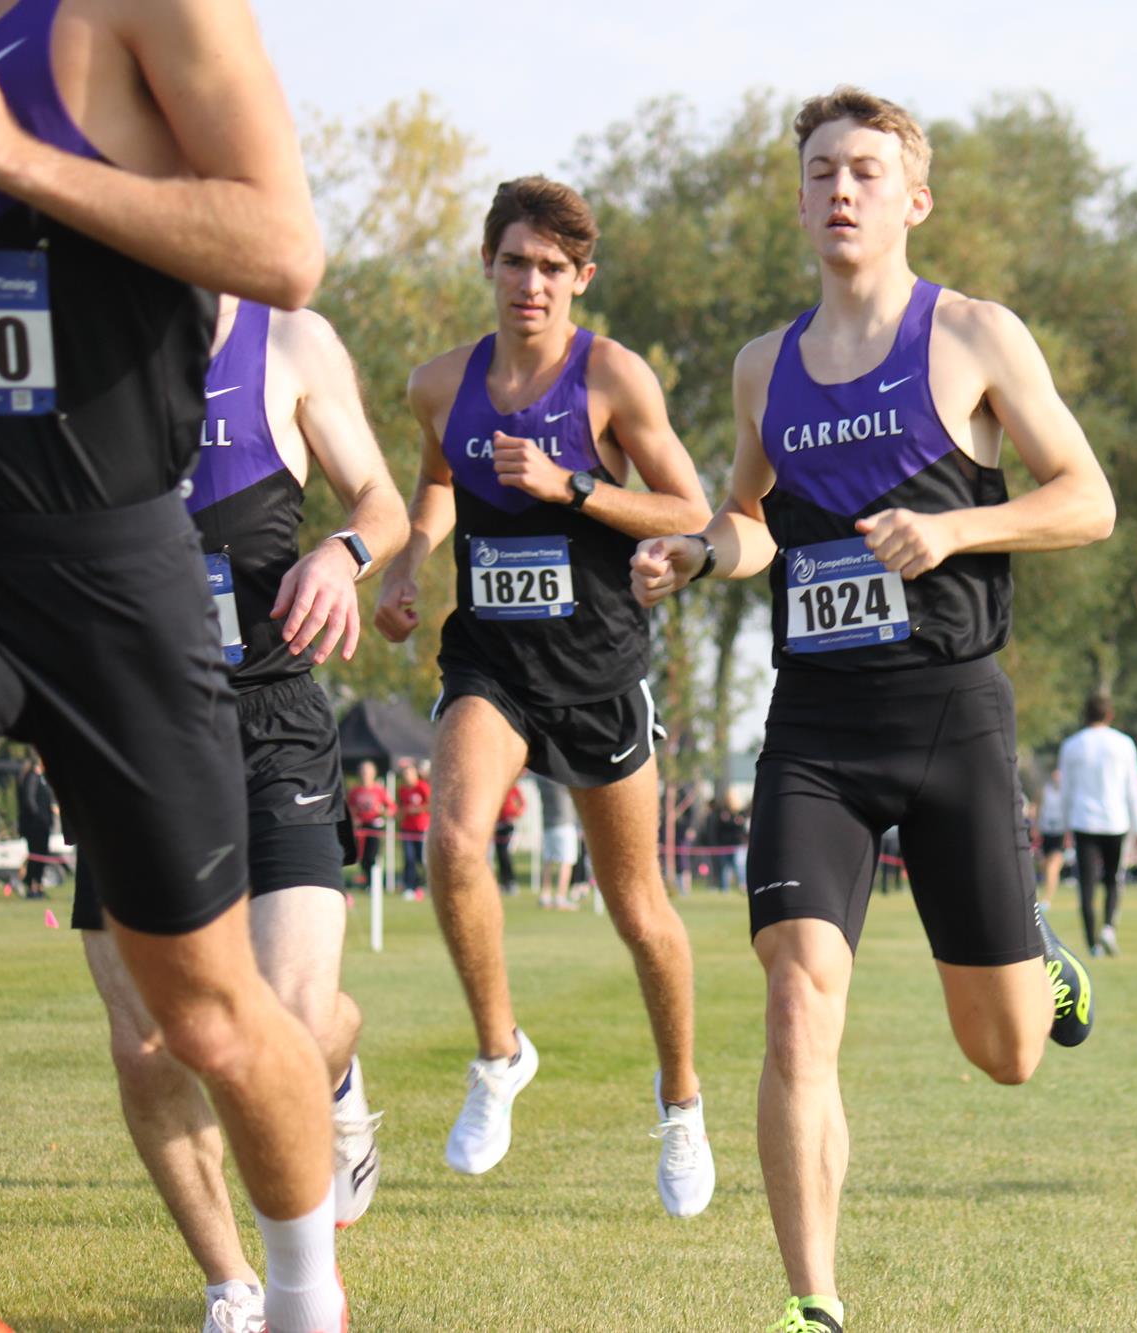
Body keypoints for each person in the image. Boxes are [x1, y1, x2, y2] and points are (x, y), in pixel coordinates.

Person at [631, 86, 1114, 1332]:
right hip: (816, 733)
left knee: (1004, 1052)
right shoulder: (762, 368)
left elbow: (1085, 500)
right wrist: (698, 551)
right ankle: (813, 1303)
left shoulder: (972, 336)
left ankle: (1041, 962)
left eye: (862, 171)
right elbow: (747, 521)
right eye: (818, 173)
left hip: (952, 715)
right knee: (796, 999)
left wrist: (953, 526)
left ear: (913, 198)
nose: (838, 191)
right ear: (798, 200)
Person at [0, 2, 352, 1326]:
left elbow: (282, 248)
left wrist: (13, 157)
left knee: (206, 1015)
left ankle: (303, 1295)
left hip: (110, 566)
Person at [373, 175, 716, 1210]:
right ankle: (498, 1055)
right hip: (492, 663)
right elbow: (436, 481)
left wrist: (571, 485)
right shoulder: (440, 385)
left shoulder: (610, 378)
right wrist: (406, 562)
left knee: (638, 909)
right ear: (487, 264)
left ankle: (681, 1104)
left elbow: (690, 505)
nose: (532, 283)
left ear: (581, 279)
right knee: (453, 839)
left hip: (601, 669)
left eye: (553, 268)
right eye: (515, 261)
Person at [73, 294, 408, 1332]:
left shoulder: (289, 340)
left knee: (295, 1023)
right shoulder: (84, 337)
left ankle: (338, 1076)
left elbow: (379, 499)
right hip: (122, 724)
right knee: (146, 1044)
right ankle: (233, 1285)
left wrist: (342, 553)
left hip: (270, 718)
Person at [1056, 694, 1137, 957]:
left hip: (1083, 821)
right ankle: (1108, 927)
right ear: (1110, 715)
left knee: (1086, 884)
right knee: (1113, 879)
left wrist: (1064, 826)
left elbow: (1066, 791)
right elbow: (1133, 789)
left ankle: (1092, 942)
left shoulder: (1072, 745)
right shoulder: (1123, 744)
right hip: (1115, 821)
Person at [346, 761, 394, 889]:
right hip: (360, 828)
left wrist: (382, 811)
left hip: (375, 826)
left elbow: (392, 809)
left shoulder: (380, 790)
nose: (365, 775)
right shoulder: (355, 791)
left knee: (372, 856)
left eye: (367, 772)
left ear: (373, 773)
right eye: (363, 772)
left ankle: (374, 884)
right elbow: (348, 809)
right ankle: (367, 881)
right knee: (361, 858)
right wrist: (353, 818)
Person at [534, 774, 577, 910]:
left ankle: (545, 895)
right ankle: (560, 897)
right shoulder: (562, 780)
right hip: (565, 824)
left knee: (548, 860)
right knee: (567, 862)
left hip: (548, 824)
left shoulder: (541, 779)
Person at [15, 753, 55, 898]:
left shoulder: (41, 778)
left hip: (43, 826)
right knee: (36, 856)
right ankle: (32, 886)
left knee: (41, 856)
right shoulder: (33, 777)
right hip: (36, 826)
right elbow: (30, 801)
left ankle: (38, 885)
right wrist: (40, 817)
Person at [395, 760, 431, 898]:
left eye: (409, 773)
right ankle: (410, 886)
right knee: (409, 858)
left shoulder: (423, 787)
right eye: (405, 774)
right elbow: (400, 807)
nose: (407, 776)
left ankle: (426, 884)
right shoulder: (402, 790)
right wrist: (400, 814)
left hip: (422, 828)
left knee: (422, 859)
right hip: (406, 829)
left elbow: (431, 805)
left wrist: (417, 809)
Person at [1037, 765, 1069, 906]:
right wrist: (1036, 828)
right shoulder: (1045, 791)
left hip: (1060, 834)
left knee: (1052, 867)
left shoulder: (1067, 793)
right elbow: (1038, 809)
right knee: (1044, 866)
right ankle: (1045, 892)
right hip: (1046, 833)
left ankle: (1047, 899)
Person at [492, 782, 525, 894]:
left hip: (508, 824)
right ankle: (504, 882)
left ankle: (511, 881)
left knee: (505, 854)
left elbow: (522, 803)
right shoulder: (496, 787)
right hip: (497, 824)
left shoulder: (513, 788)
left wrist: (516, 814)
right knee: (499, 854)